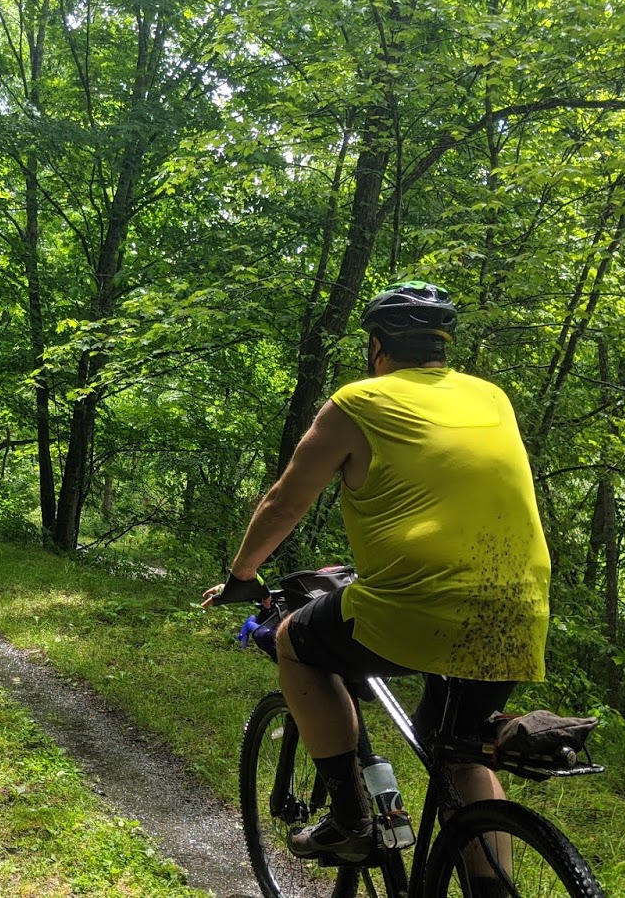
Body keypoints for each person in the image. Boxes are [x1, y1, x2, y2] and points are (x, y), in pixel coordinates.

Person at [203, 281, 550, 869]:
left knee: (296, 643)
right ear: (442, 347)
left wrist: (242, 573)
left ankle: (352, 821)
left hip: (416, 604)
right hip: (518, 607)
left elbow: (285, 504)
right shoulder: (492, 398)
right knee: (461, 748)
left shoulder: (357, 403)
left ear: (379, 346)